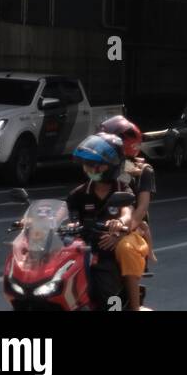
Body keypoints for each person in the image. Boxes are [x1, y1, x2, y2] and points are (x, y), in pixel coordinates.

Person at [66, 132, 132, 311]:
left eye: (95, 165)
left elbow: (127, 213)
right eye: (86, 165)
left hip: (105, 252)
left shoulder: (122, 190)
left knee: (109, 295)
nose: (89, 169)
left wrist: (119, 224)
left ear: (111, 166)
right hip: (78, 251)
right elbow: (66, 216)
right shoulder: (77, 194)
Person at [99, 115, 156, 311]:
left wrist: (122, 230)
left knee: (124, 248)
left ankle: (134, 306)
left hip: (133, 228)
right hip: (103, 224)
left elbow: (141, 208)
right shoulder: (103, 167)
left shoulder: (143, 170)